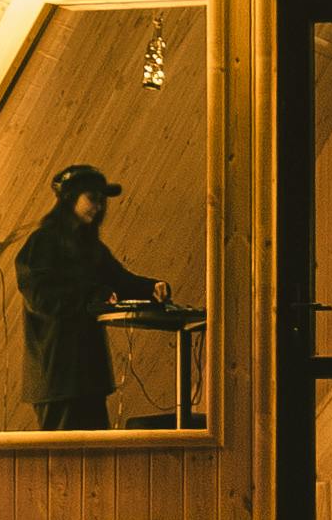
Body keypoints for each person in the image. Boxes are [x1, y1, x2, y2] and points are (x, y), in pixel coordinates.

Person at [14, 165, 196, 431]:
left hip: (87, 375)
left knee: (96, 458)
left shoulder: (90, 247)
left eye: (101, 200)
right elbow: (41, 297)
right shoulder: (43, 242)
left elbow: (118, 280)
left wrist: (152, 288)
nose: (99, 206)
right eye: (92, 198)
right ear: (69, 198)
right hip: (58, 374)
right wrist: (92, 294)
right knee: (66, 461)